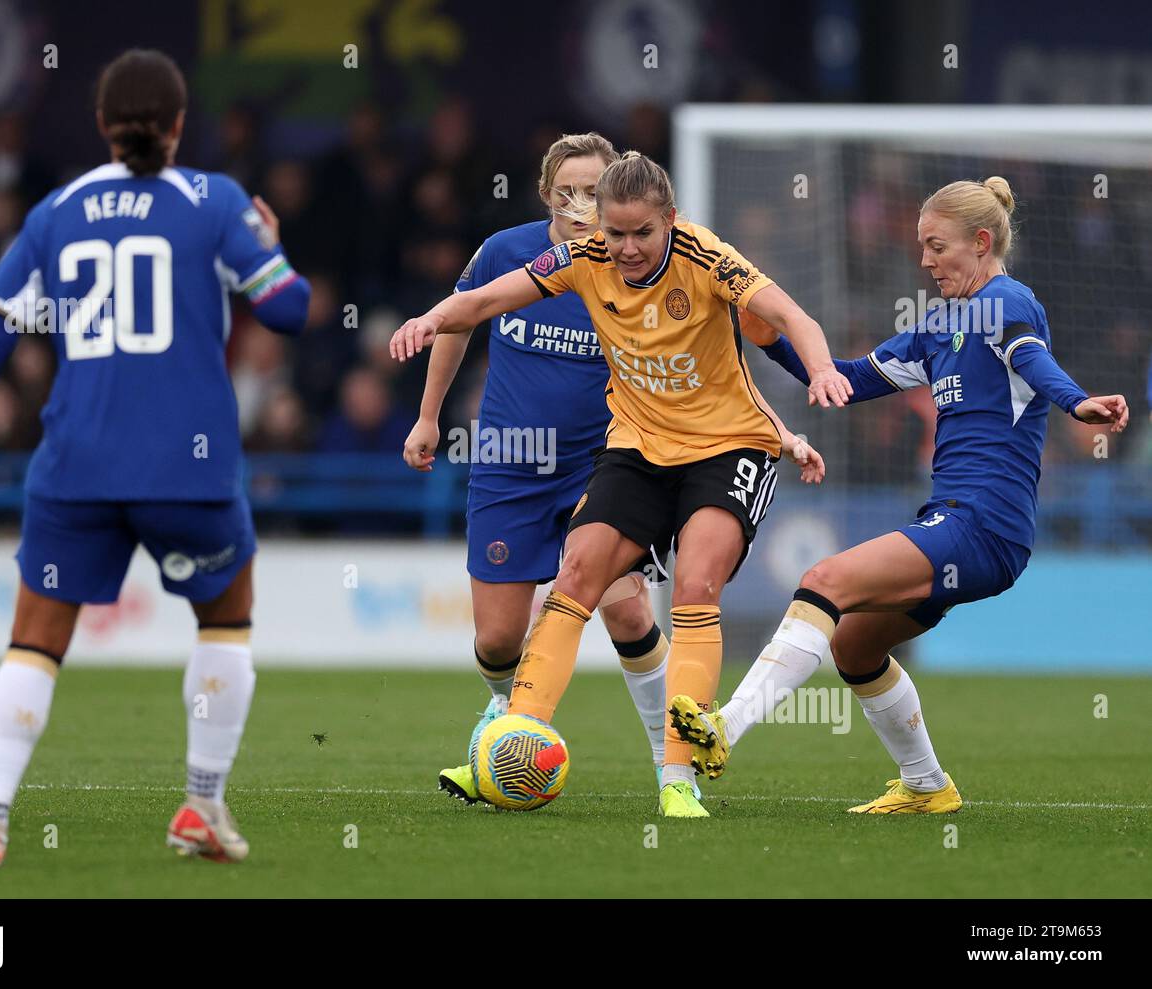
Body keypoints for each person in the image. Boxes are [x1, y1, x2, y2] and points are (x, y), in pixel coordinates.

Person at [0, 49, 311, 864]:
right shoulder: (213, 200)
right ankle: (201, 806)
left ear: (101, 127)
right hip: (190, 466)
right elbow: (289, 311)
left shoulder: (55, 211)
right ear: (180, 126)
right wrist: (273, 252)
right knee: (226, 619)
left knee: (33, 643)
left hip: (76, 463)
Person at [391, 151, 844, 817]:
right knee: (577, 575)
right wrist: (432, 318)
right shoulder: (580, 258)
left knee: (694, 582)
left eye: (643, 233)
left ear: (670, 221)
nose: (628, 248)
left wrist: (824, 371)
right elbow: (488, 299)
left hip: (728, 448)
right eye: (615, 233)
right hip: (639, 448)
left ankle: (677, 777)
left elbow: (793, 319)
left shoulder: (708, 257)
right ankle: (514, 738)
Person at [684, 176, 1129, 813]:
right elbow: (844, 381)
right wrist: (770, 339)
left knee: (825, 579)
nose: (924, 259)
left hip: (984, 525)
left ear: (981, 243)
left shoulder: (1007, 303)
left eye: (936, 245)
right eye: (921, 245)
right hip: (958, 523)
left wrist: (1077, 402)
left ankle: (726, 728)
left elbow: (1034, 361)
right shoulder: (937, 329)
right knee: (854, 645)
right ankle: (928, 786)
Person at [403, 134, 682, 801]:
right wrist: (427, 416)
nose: (582, 202)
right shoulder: (505, 252)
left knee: (628, 611)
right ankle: (505, 727)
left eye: (595, 190)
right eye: (570, 190)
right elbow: (458, 323)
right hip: (509, 464)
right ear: (547, 193)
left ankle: (672, 762)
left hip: (602, 466)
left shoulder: (633, 263)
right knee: (498, 637)